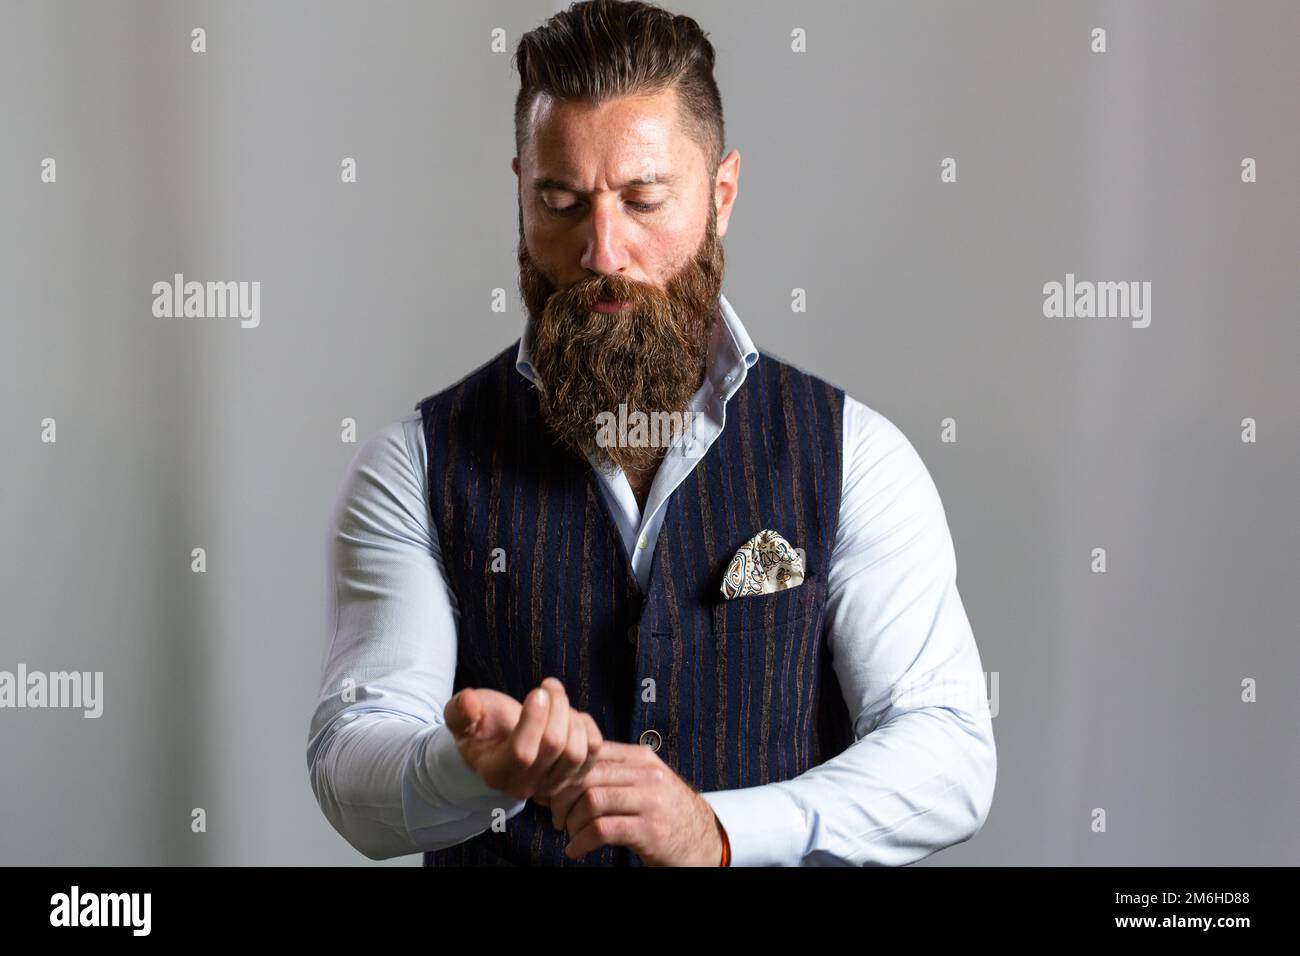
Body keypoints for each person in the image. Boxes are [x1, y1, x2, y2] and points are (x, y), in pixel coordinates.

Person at [307, 0, 995, 867]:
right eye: (560, 202)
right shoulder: (412, 467)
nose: (602, 250)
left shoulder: (856, 456)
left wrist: (720, 831)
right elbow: (352, 764)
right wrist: (466, 767)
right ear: (520, 189)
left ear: (722, 194)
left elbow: (949, 756)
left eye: (643, 200)